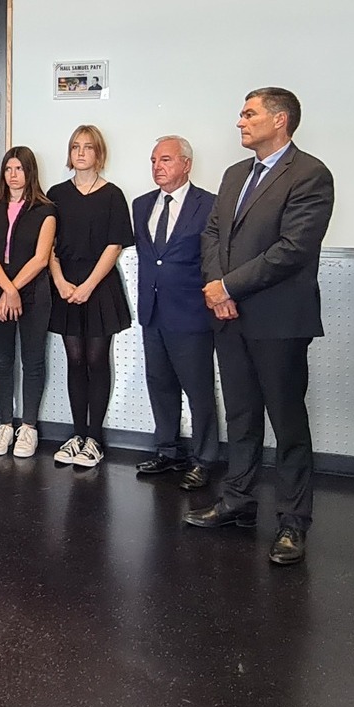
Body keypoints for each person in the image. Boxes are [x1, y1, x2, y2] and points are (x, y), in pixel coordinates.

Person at [187, 88, 334, 567]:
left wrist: (228, 286)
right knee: (243, 416)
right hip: (229, 317)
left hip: (278, 321)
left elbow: (292, 249)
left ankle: (293, 523)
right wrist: (216, 286)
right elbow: (212, 234)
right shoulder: (235, 175)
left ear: (281, 119)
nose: (240, 122)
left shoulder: (310, 174)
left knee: (287, 423)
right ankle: (237, 502)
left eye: (249, 114)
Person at [133, 135, 219, 490]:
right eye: (153, 160)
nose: (158, 167)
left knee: (198, 390)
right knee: (161, 384)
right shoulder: (141, 204)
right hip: (153, 311)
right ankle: (167, 449)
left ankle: (205, 458)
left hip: (191, 313)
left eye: (165, 160)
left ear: (186, 164)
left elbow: (215, 259)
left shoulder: (210, 204)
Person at [47, 125, 133, 468]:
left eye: (88, 147)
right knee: (75, 359)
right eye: (75, 147)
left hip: (100, 285)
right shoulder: (55, 194)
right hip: (65, 283)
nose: (81, 153)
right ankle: (77, 434)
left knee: (97, 360)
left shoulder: (113, 194)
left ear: (99, 153)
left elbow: (115, 245)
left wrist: (87, 286)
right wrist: (61, 282)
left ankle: (95, 438)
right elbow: (48, 246)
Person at [0, 146, 57, 459]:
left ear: (30, 172)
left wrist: (14, 290)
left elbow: (41, 259)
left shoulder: (46, 210)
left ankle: (28, 427)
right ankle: (4, 424)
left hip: (33, 290)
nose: (13, 176)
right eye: (8, 169)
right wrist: (6, 290)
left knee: (33, 360)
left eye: (19, 169)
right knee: (2, 359)